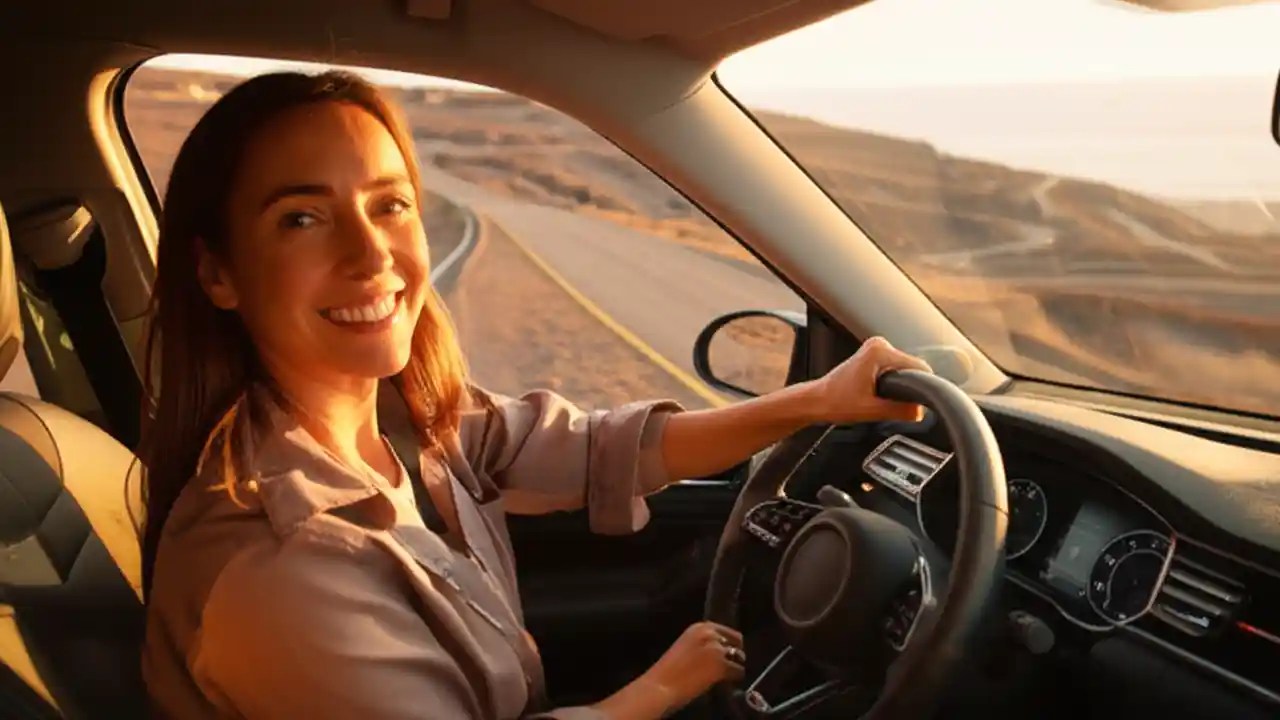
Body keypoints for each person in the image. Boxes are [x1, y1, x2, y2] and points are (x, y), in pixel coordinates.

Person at [138, 70, 932, 720]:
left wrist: (817, 401)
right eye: (303, 218)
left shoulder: (401, 420)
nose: (371, 252)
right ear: (217, 272)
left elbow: (599, 448)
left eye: (391, 204)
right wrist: (653, 693)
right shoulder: (280, 577)